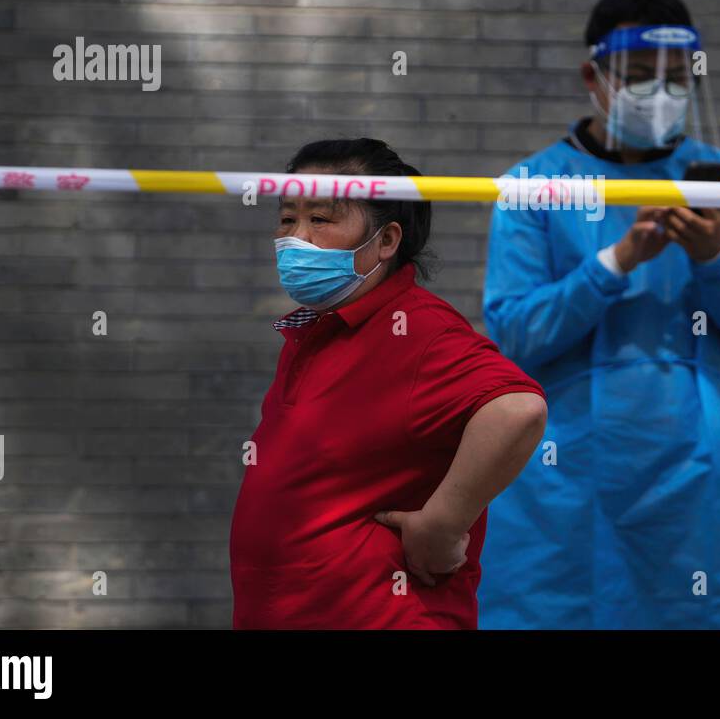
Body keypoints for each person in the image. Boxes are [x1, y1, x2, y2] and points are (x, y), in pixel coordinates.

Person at [478, 0, 720, 628]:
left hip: (700, 473)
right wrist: (614, 263)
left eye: (678, 80)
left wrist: (717, 257)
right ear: (592, 77)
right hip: (566, 476)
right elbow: (512, 334)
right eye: (640, 77)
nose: (661, 95)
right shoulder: (534, 186)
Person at [230, 138, 547, 629]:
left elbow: (516, 410)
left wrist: (442, 522)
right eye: (288, 218)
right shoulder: (313, 329)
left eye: (321, 219)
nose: (297, 237)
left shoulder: (418, 328)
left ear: (386, 240)